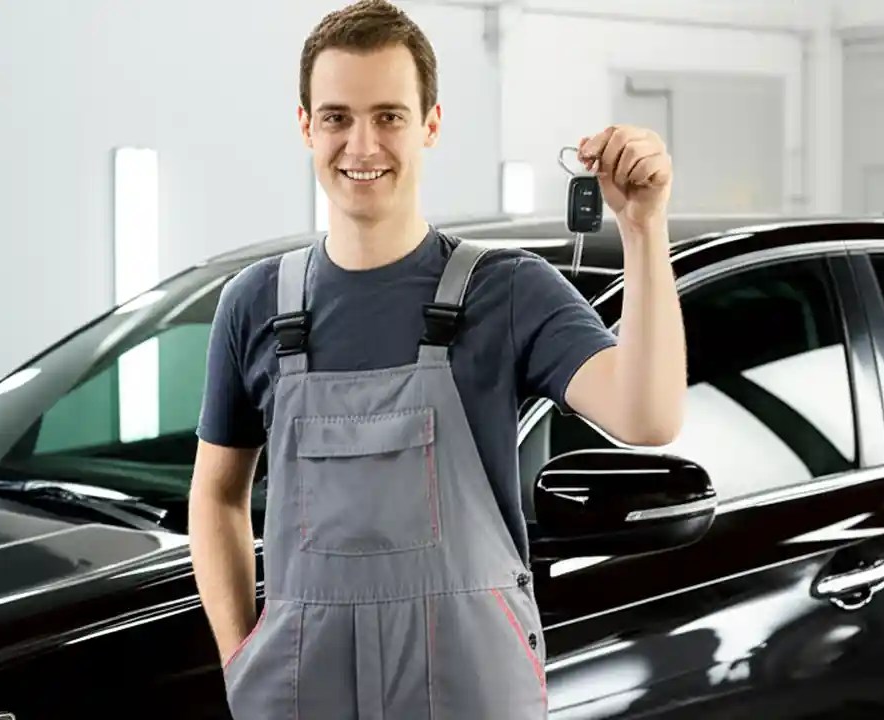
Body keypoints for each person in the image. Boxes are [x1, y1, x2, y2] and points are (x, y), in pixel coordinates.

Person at [187, 0, 686, 717]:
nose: (361, 144)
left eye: (389, 115)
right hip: (300, 691)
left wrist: (644, 229)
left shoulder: (508, 291)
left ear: (431, 124)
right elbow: (215, 494)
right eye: (336, 117)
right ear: (305, 126)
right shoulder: (254, 304)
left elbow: (650, 415)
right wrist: (243, 658)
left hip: (468, 689)